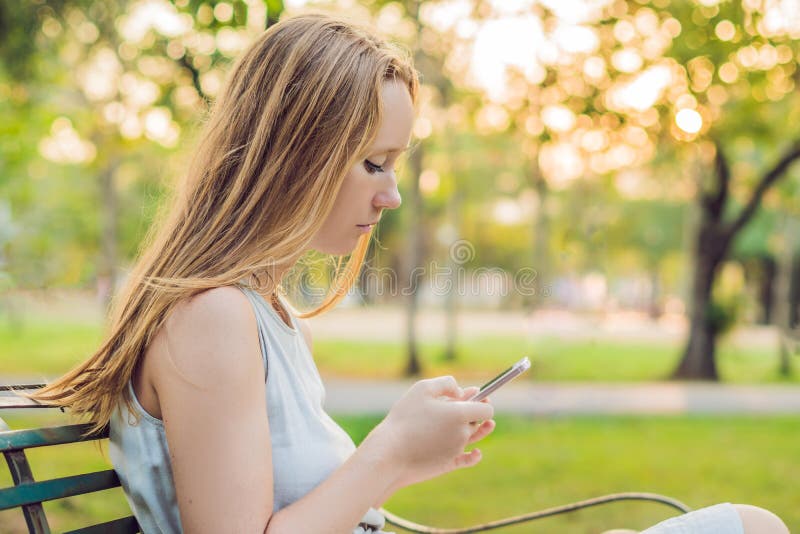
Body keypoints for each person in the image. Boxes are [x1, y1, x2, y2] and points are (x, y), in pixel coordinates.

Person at [29, 13, 788, 534]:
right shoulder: (210, 318)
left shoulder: (261, 313)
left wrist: (405, 454)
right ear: (294, 152)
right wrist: (389, 453)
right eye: (372, 164)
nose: (389, 194)